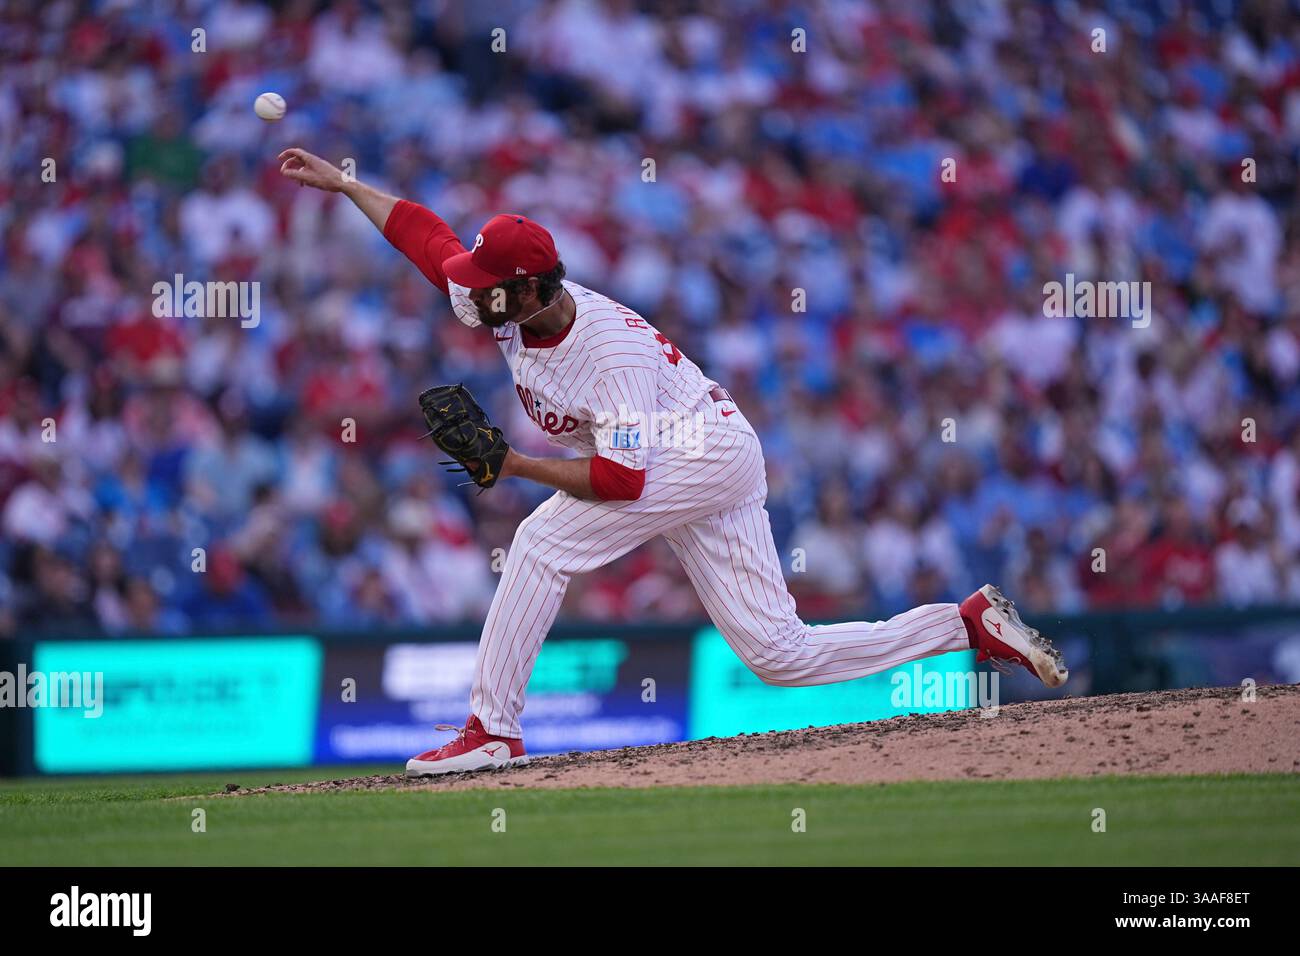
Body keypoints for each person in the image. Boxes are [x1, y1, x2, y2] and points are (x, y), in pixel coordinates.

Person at [279, 148, 1068, 776]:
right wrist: (346, 184)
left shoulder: (605, 354)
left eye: (491, 285)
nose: (471, 291)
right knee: (779, 656)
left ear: (529, 291)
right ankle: (964, 625)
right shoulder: (501, 294)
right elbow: (430, 240)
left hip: (698, 450)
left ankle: (492, 730)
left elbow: (626, 482)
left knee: (540, 544)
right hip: (698, 447)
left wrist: (513, 466)